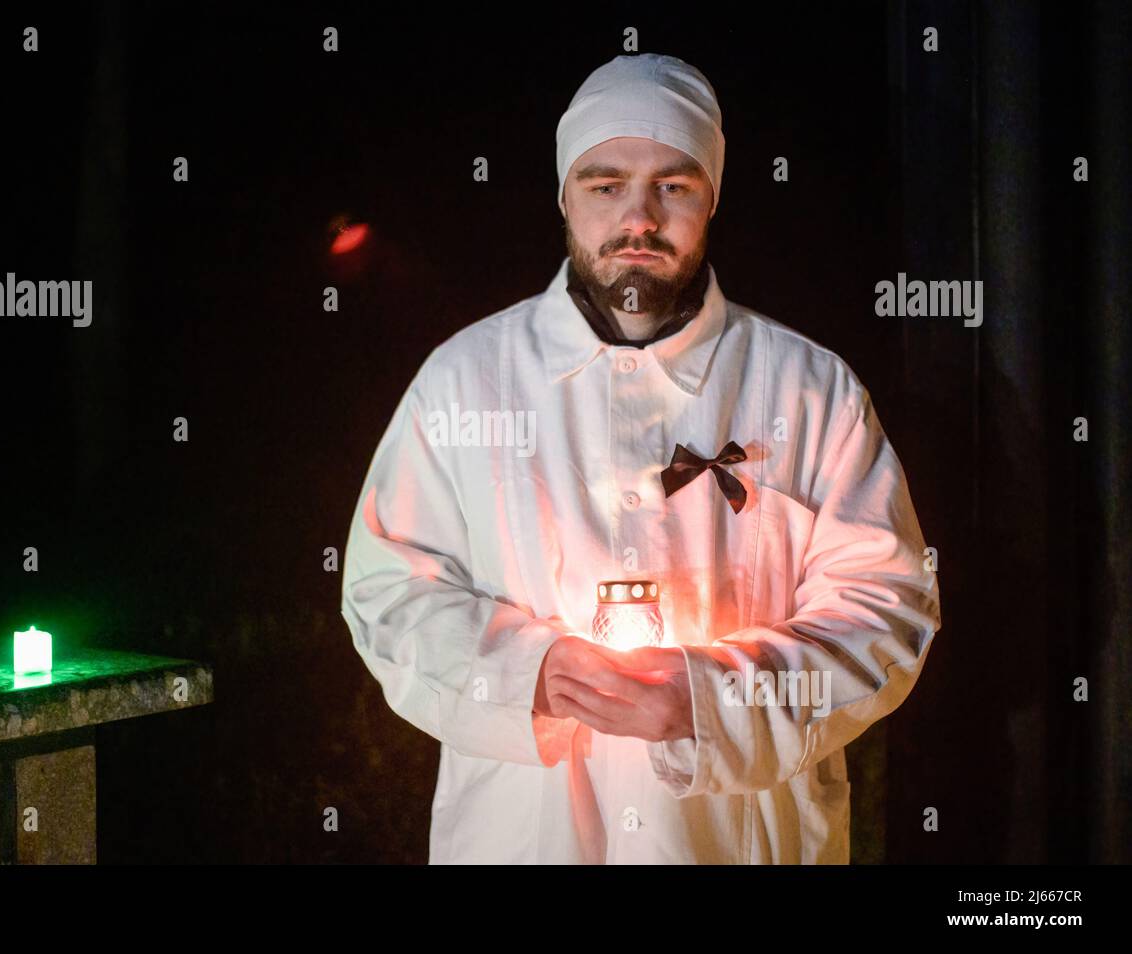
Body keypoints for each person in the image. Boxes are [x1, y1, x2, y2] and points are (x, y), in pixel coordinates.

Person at [340, 52, 941, 863]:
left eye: (674, 184)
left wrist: (709, 699)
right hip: (525, 838)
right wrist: (532, 672)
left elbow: (888, 610)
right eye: (605, 182)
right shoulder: (466, 379)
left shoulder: (807, 387)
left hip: (738, 841)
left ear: (712, 197)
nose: (640, 217)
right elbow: (387, 593)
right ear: (564, 196)